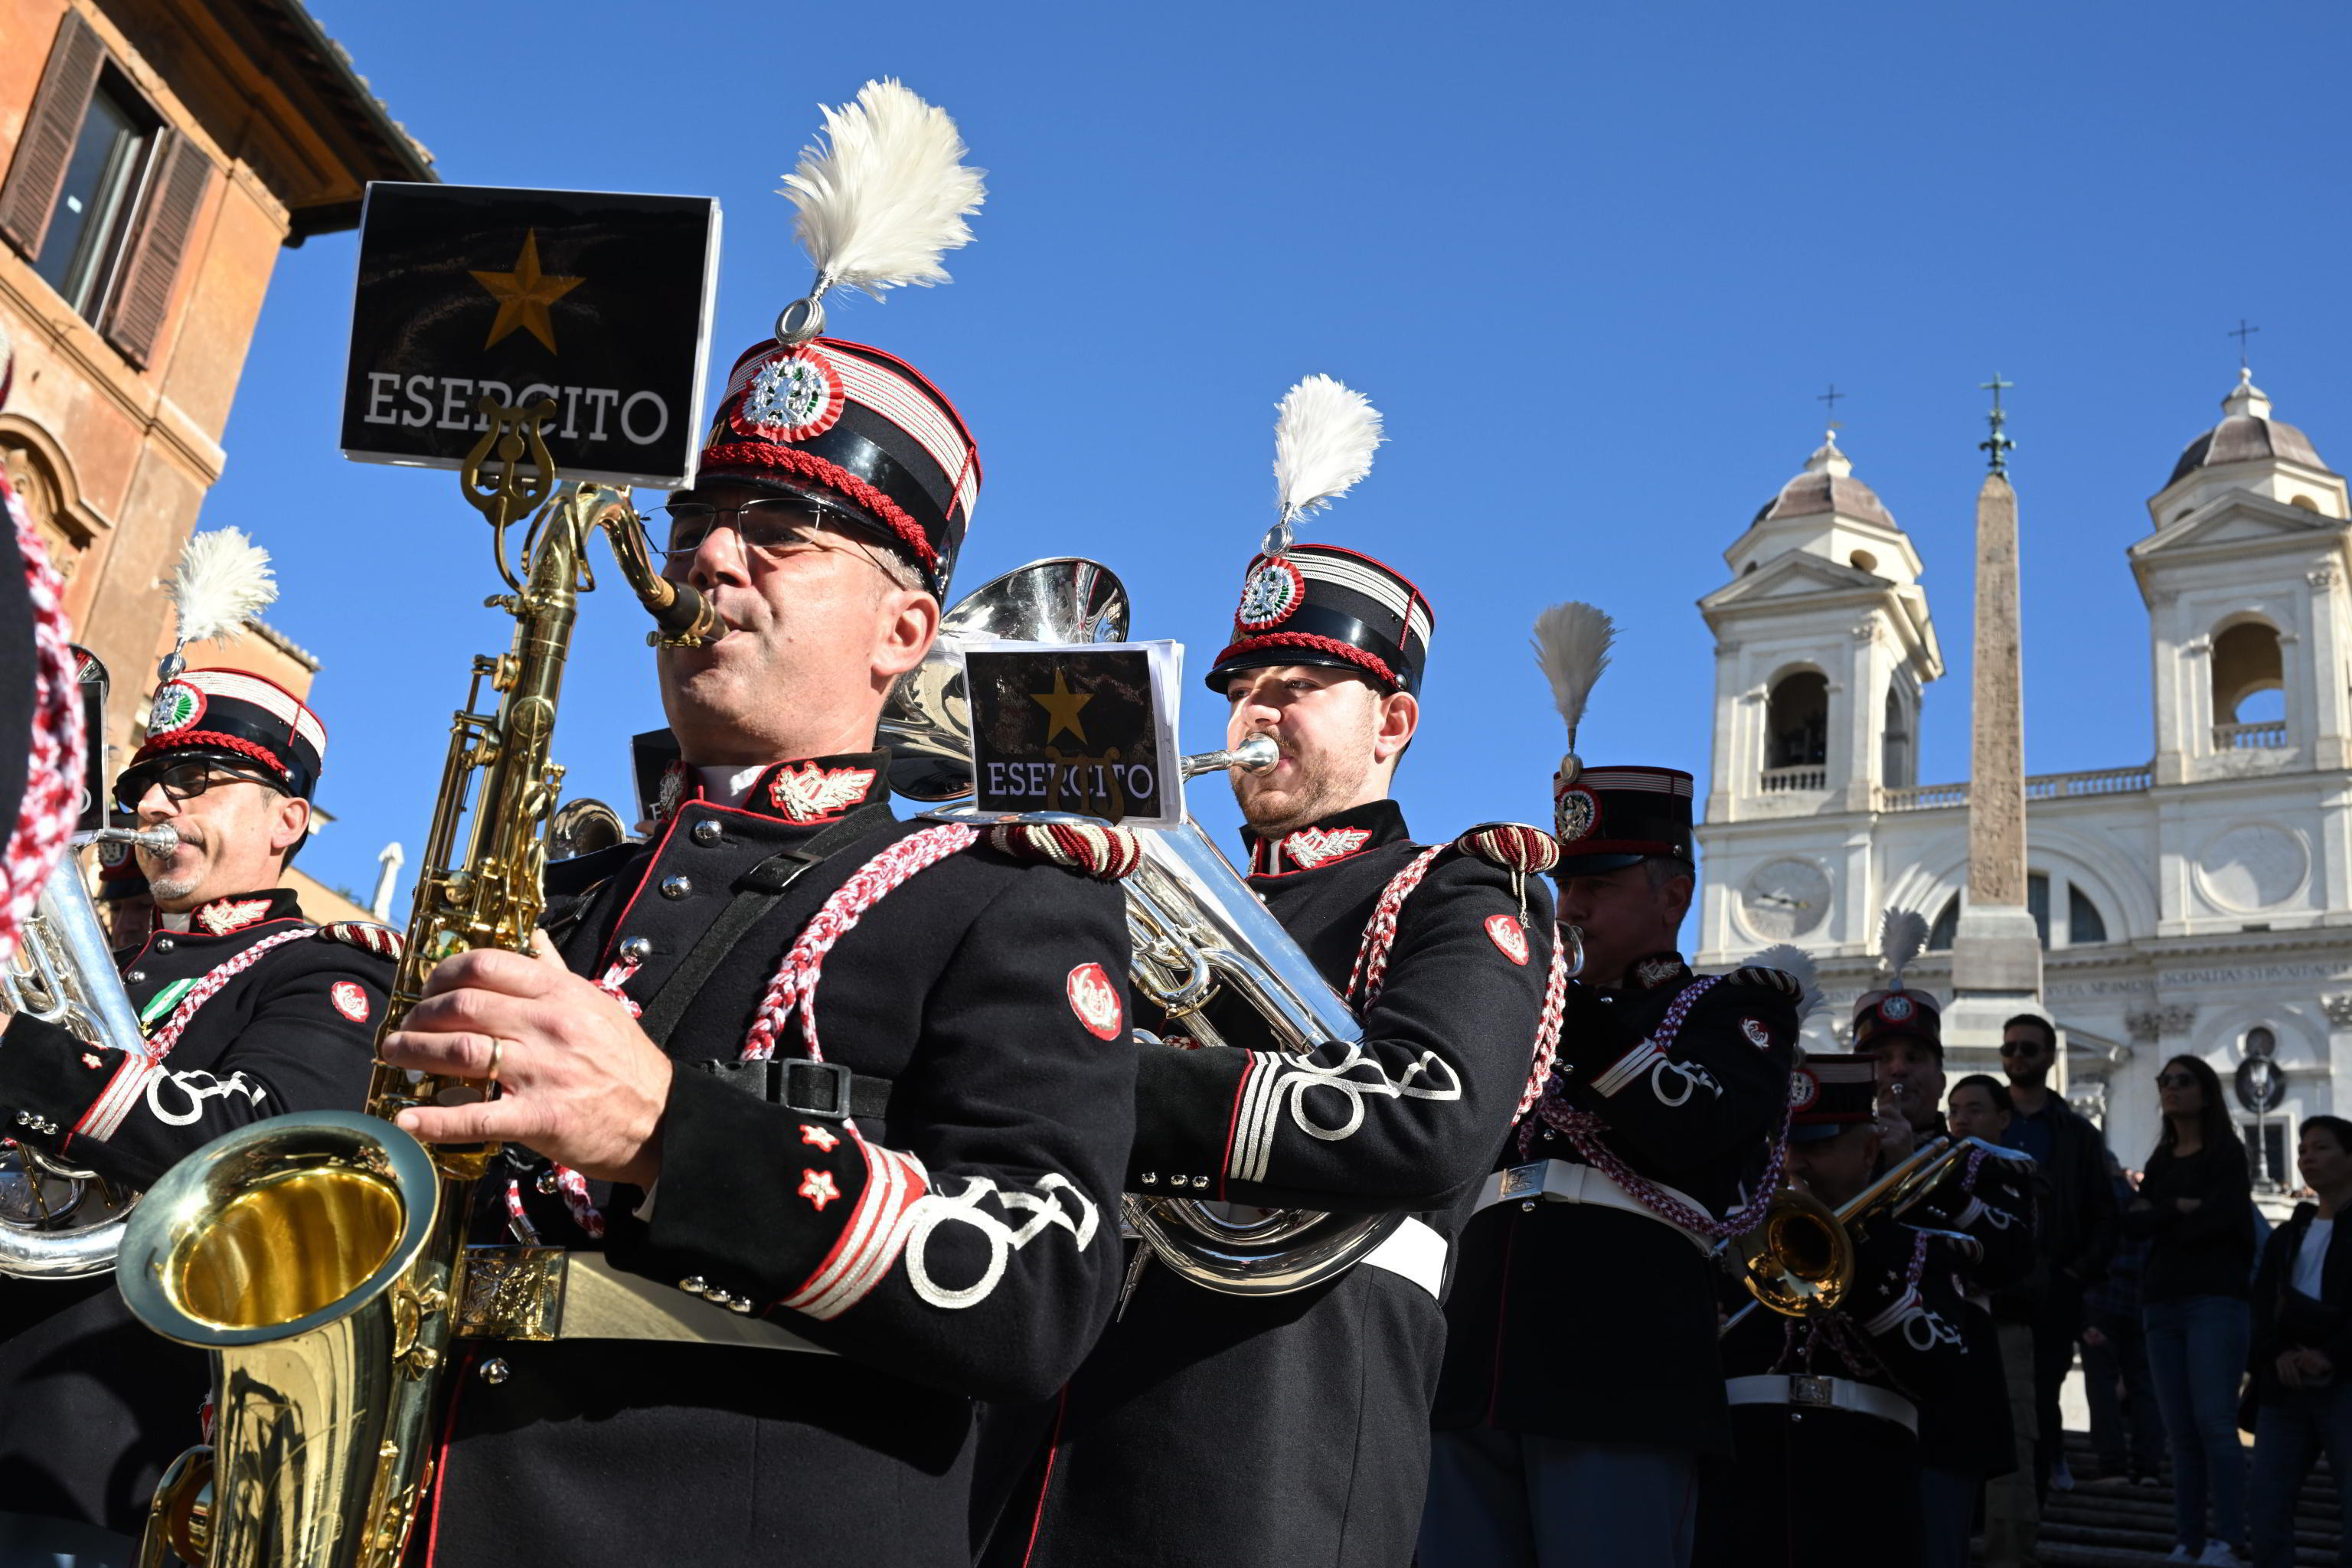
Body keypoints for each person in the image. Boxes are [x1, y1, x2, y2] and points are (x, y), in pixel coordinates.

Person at [377, 87, 1138, 1567]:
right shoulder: (567, 880)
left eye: (782, 538)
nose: (711, 553)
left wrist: (672, 1131)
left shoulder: (994, 892)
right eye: (692, 526)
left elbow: (1045, 1291)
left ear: (904, 628)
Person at [991, 382, 1560, 1567]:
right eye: (1242, 691)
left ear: (1392, 720)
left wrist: (1099, 1080)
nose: (1254, 715)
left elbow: (1433, 1120)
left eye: (1293, 690)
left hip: (1274, 1412)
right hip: (1056, 1399)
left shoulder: (1459, 889)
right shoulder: (1158, 886)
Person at [1425, 603, 1802, 1568]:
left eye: (1599, 882)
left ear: (1673, 891)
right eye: (1565, 882)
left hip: (1618, 1358)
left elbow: (1694, 1127)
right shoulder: (1520, 998)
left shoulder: (1736, 1009)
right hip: (1474, 1353)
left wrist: (1557, 991)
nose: (1572, 903)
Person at [0, 664, 394, 1564]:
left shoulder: (321, 970)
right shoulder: (102, 951)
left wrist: (18, 1052)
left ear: (286, 819)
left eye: (198, 780)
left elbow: (257, 1145)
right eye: (145, 782)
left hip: (87, 1448)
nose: (154, 801)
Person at [1697, 1054, 1972, 1568]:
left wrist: (1857, 1264)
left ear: (1869, 1150)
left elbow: (1948, 1379)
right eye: (1787, 1147)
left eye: (1818, 1147)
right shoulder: (1732, 1243)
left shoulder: (1924, 1250)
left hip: (1865, 1489)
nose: (1794, 1165)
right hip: (1741, 1490)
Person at [1849, 916, 2037, 1568]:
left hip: (1945, 1388)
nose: (1898, 1070)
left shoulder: (1983, 1163)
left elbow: (2013, 1260)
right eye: (1880, 1057)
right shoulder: (1819, 1158)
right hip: (1849, 1383)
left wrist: (1925, 1175)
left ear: (1940, 1073)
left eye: (1916, 1058)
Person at [2128, 1054, 2256, 1567]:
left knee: (2214, 1423)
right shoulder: (2160, 1161)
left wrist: (2164, 1215)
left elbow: (2223, 1223)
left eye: (2183, 1081)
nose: (2170, 1088)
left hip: (2214, 1299)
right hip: (2161, 1301)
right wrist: (2177, 1210)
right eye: (2165, 1081)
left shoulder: (2228, 1154)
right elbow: (2133, 1224)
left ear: (2205, 1092)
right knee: (2179, 1432)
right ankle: (2189, 1539)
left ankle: (2228, 1537)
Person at [2001, 1013, 2120, 1496]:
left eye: (2029, 1049)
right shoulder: (1987, 1123)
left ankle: (2044, 1471)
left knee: (2045, 1384)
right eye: (2010, 1049)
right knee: (1999, 1388)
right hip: (1998, 1278)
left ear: (2050, 1057)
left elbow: (2103, 1213)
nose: (2017, 1058)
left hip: (2054, 1280)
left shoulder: (2078, 1134)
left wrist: (2076, 1273)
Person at [1949, 1072, 2050, 1568]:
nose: (1961, 1119)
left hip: (2004, 1325)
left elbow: (2020, 1252)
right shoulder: (1935, 1162)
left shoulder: (2016, 1174)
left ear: (2003, 1119)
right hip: (1944, 1328)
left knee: (2011, 1463)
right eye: (1955, 1110)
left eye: (1975, 1109)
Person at [2244, 1115, 2352, 1568]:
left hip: (2345, 1383)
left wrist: (2331, 1355)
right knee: (2266, 1506)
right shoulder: (2288, 1236)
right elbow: (2262, 1306)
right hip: (2285, 1386)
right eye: (2303, 1148)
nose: (2307, 1156)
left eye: (2321, 1147)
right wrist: (2278, 1355)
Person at [2082, 1148, 2167, 1485]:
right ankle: (2149, 1465)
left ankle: (2112, 1463)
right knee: (2145, 1385)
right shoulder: (2138, 1204)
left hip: (2100, 1302)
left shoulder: (2093, 1205)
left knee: (2101, 1384)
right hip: (2141, 1304)